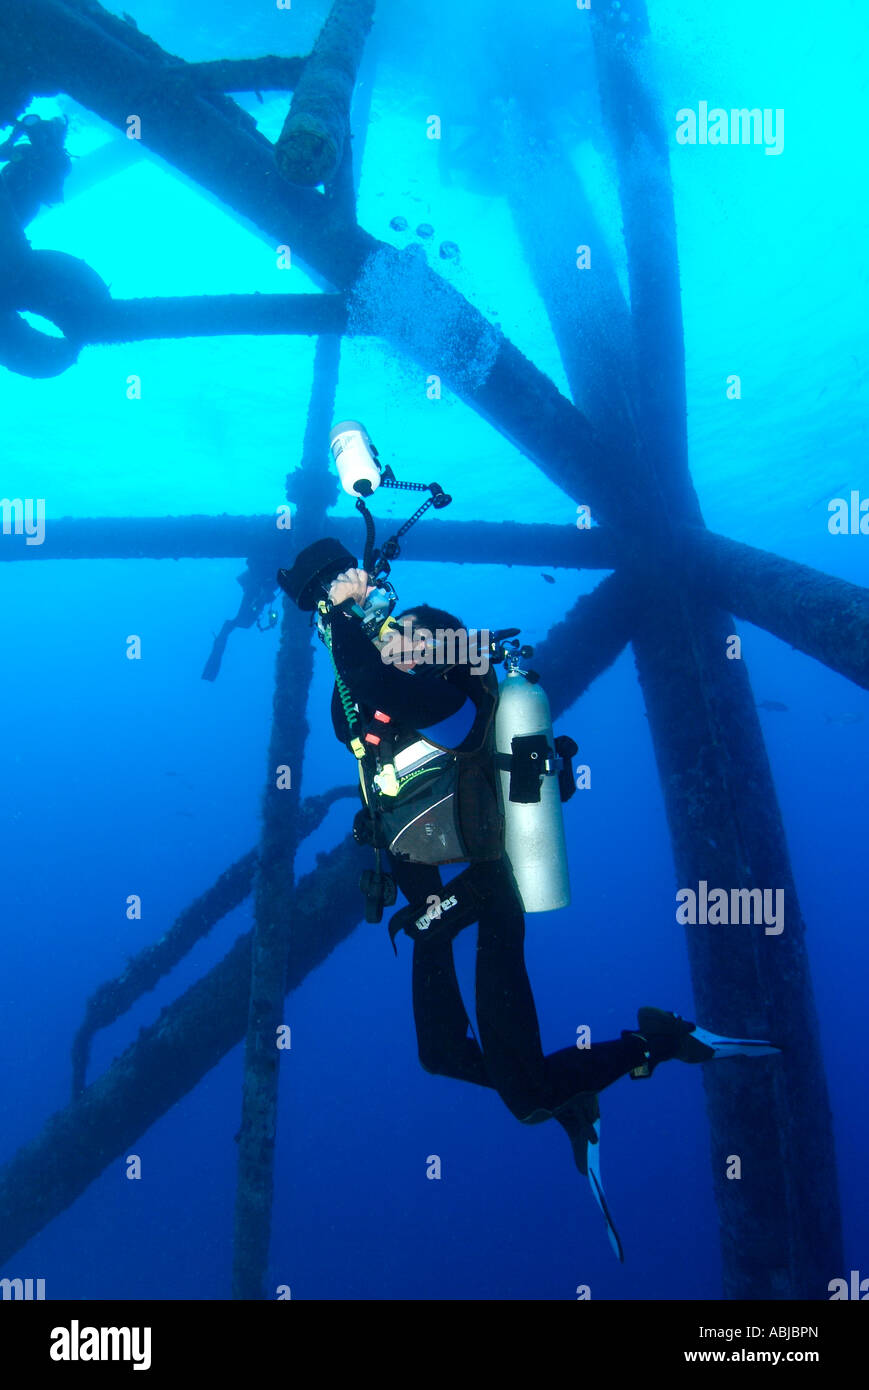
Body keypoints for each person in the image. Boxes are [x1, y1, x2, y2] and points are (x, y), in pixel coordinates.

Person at [277, 538, 781, 1258]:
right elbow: (379, 763)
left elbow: (391, 687)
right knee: (441, 1058)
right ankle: (582, 1092)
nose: (397, 643)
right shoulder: (356, 699)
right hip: (437, 899)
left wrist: (354, 614)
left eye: (413, 637)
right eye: (388, 633)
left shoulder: (447, 698)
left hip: (492, 886)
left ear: (437, 646)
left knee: (525, 1097)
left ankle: (659, 1043)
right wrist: (422, 907)